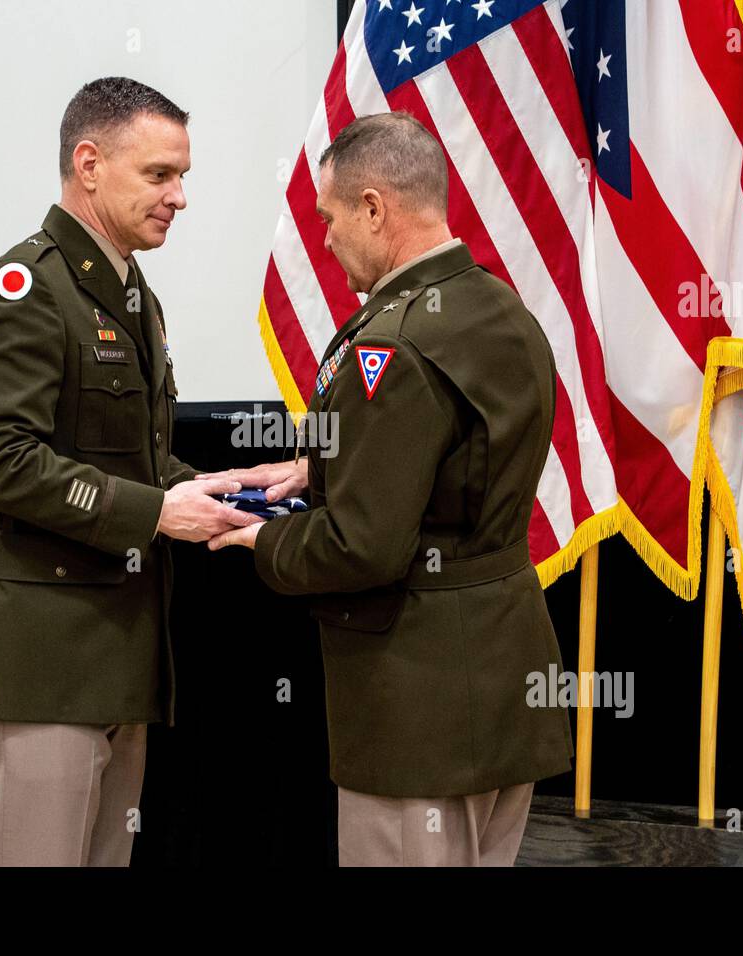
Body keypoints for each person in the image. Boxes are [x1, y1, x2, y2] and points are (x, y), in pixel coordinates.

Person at [205, 112, 573, 866]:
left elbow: (363, 547)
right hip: (506, 681)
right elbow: (461, 463)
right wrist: (326, 468)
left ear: (374, 208)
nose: (327, 237)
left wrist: (260, 536)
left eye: (331, 217)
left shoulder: (393, 342)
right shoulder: (504, 311)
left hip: (420, 708)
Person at [0, 76, 258, 866]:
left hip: (111, 654)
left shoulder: (130, 294)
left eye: (183, 177)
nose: (179, 197)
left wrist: (209, 486)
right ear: (89, 163)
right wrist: (155, 513)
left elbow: (122, 453)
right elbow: (2, 462)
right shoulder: (25, 291)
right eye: (160, 175)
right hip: (38, 661)